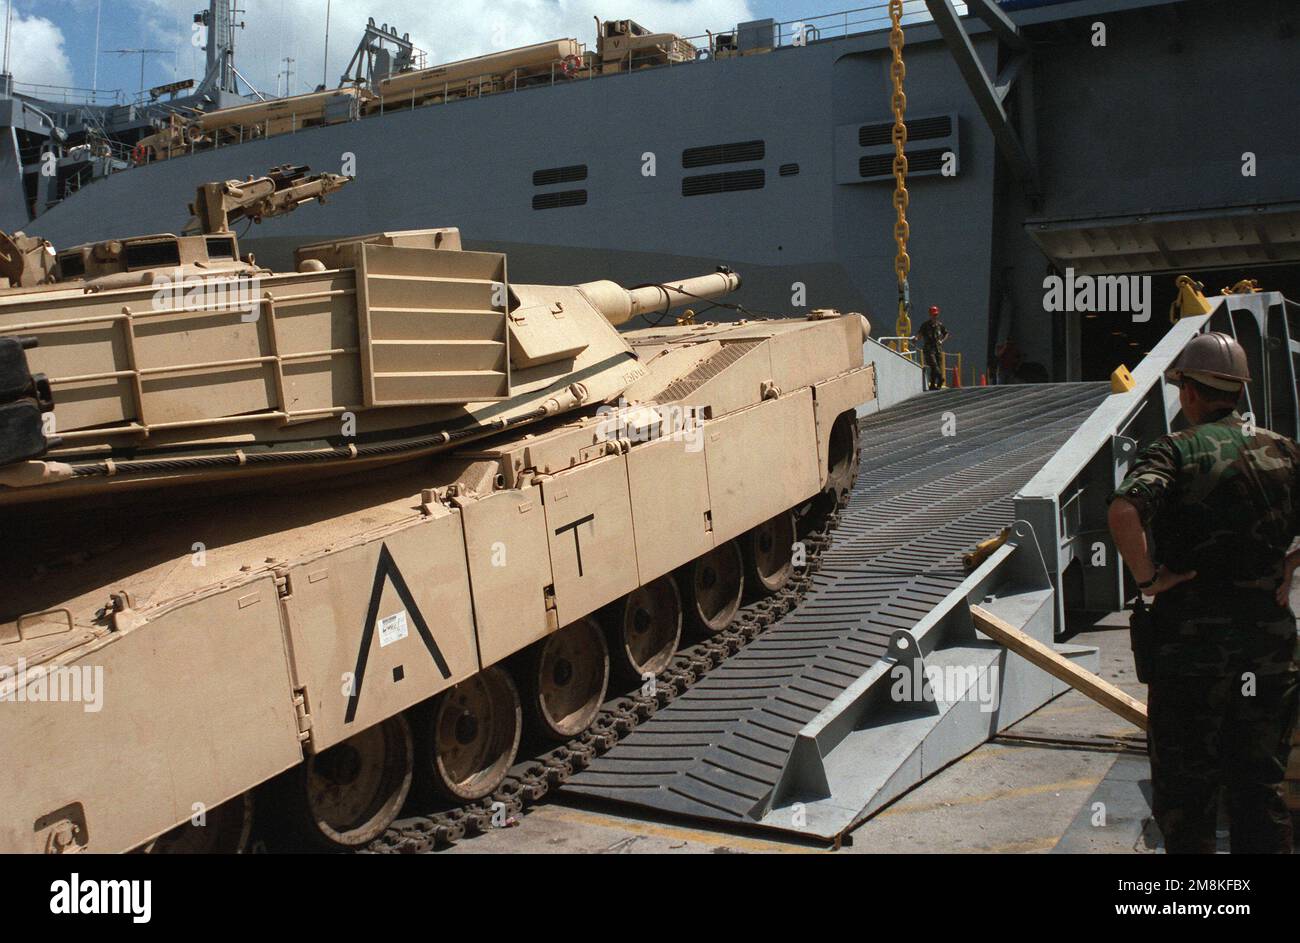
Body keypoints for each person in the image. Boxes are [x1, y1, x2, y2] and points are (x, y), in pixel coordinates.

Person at [1107, 331, 1299, 854]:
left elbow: (1124, 512)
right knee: (1259, 786)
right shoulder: (1283, 449)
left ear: (1189, 392)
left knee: (1187, 795)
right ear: (1238, 391)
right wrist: (1289, 565)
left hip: (1189, 651)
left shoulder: (1175, 450)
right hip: (1267, 646)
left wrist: (1148, 579)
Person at [916, 305, 949, 390]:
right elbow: (920, 334)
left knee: (937, 366)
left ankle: (933, 385)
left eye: (936, 315)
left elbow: (946, 333)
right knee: (934, 365)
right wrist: (916, 338)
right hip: (929, 349)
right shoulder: (925, 325)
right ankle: (941, 379)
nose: (935, 316)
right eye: (933, 315)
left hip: (938, 348)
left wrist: (942, 341)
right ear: (930, 315)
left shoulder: (939, 325)